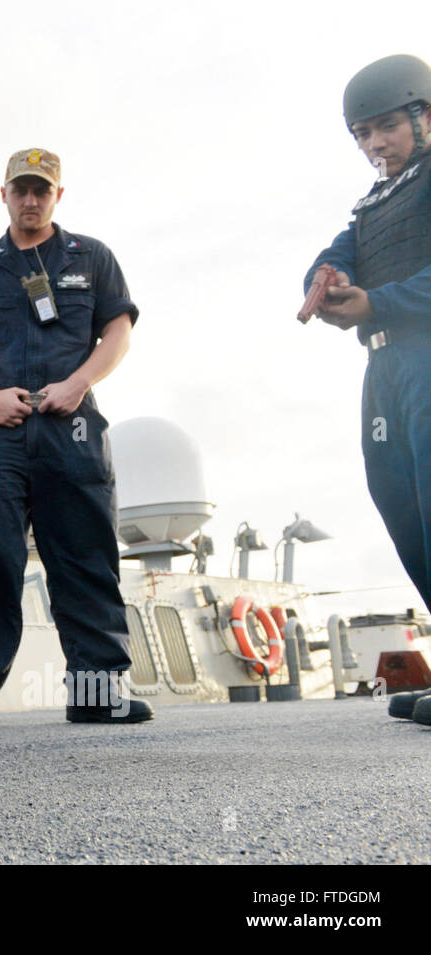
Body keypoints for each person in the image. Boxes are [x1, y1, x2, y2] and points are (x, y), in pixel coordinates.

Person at [0, 148, 152, 726]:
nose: (31, 200)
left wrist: (79, 383)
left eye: (42, 190)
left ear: (59, 196)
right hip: (0, 431)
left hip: (72, 428)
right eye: (20, 190)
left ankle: (96, 689)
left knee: (84, 552)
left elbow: (118, 331)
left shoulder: (93, 257)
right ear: (3, 194)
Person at [301, 54, 431, 728]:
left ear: (424, 116)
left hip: (425, 356)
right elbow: (337, 252)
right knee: (403, 508)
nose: (375, 145)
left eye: (385, 128)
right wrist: (325, 281)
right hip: (382, 371)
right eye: (362, 135)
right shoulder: (375, 201)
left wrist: (376, 303)